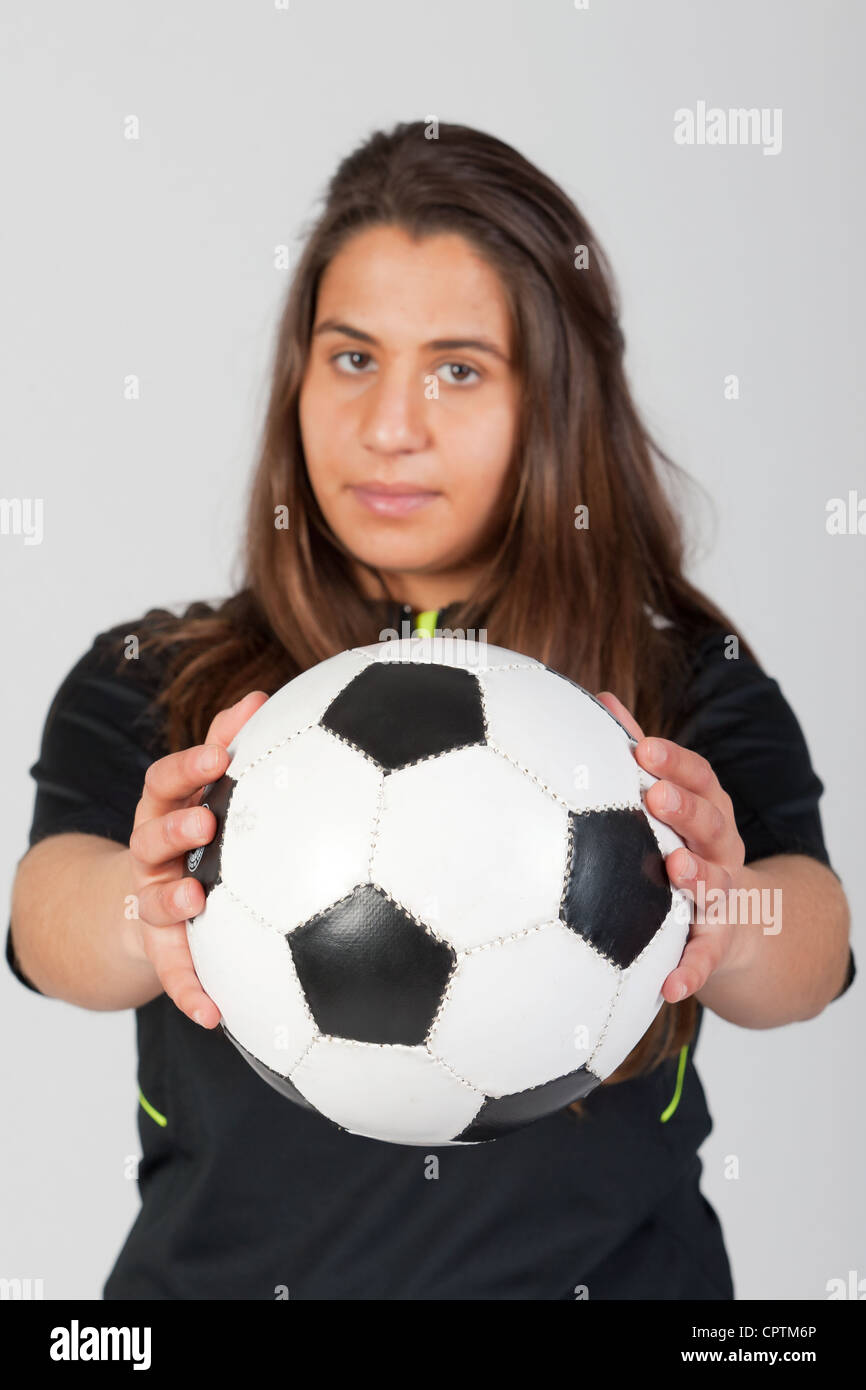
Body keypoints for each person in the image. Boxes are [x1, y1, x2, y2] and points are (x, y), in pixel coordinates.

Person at [7, 120, 854, 1301]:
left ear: (553, 400)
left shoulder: (674, 685)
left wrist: (729, 909)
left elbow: (809, 945)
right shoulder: (159, 675)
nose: (388, 426)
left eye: (457, 369)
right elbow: (48, 915)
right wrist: (137, 903)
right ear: (297, 377)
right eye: (352, 357)